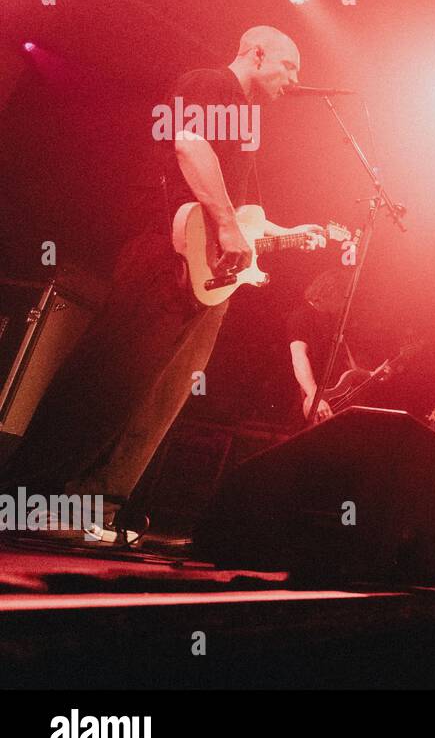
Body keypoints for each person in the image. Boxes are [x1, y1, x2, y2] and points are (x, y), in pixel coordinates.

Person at [0, 27, 324, 531]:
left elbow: (247, 216)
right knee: (107, 378)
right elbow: (189, 145)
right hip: (163, 253)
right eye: (289, 66)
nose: (295, 80)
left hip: (200, 272)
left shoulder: (247, 124)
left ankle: (84, 508)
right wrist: (225, 227)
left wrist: (292, 233)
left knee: (145, 397)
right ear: (256, 54)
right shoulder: (210, 83)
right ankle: (24, 499)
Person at [286, 267, 361, 423]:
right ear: (331, 292)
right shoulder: (302, 316)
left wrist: (371, 375)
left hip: (333, 400)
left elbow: (348, 366)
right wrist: (314, 396)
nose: (344, 304)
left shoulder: (334, 320)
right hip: (309, 401)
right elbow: (299, 357)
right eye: (343, 297)